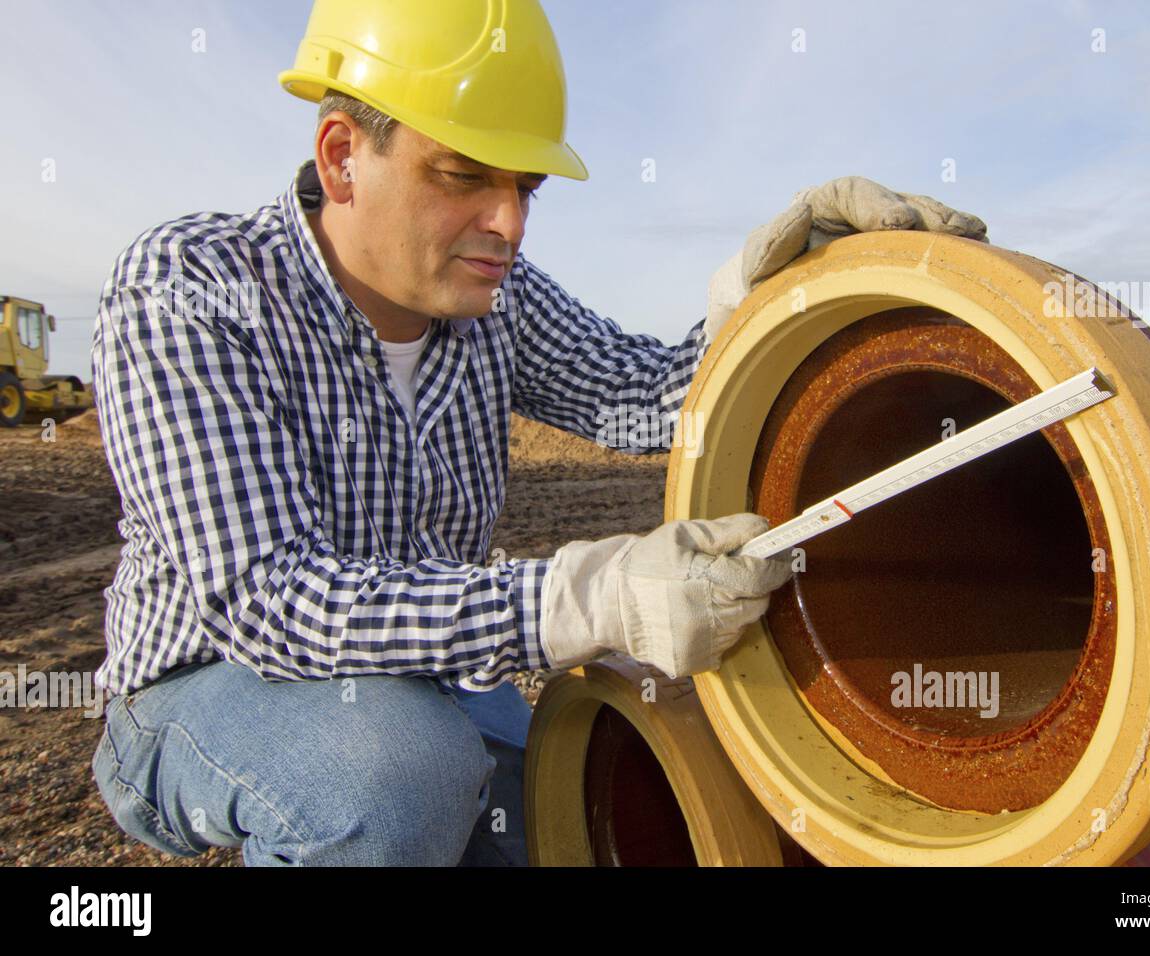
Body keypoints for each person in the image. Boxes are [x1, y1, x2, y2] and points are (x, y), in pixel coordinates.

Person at [89, 0, 988, 867]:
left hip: (424, 681)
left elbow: (639, 397)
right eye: (464, 175)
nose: (510, 225)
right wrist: (588, 600)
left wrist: (762, 301)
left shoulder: (494, 302)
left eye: (525, 186)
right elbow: (270, 601)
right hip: (202, 686)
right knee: (395, 778)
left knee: (576, 803)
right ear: (341, 157)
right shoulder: (192, 289)